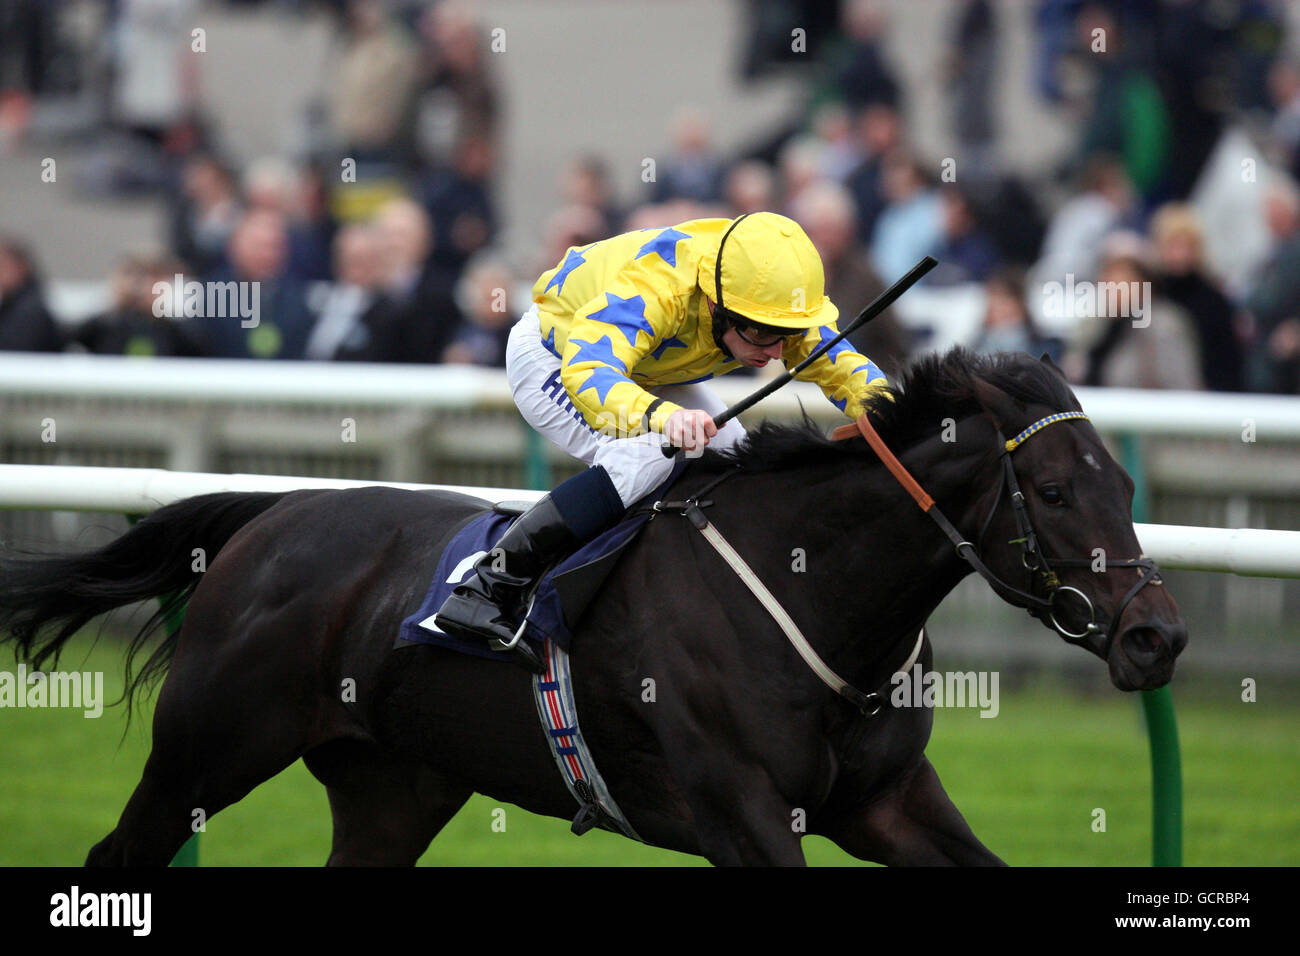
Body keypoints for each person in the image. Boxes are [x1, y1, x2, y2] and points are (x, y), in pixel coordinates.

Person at [434, 211, 891, 667]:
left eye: (786, 336)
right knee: (649, 453)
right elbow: (589, 371)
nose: (775, 352)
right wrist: (659, 416)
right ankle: (491, 584)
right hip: (560, 357)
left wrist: (894, 413)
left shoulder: (767, 301)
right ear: (715, 306)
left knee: (737, 460)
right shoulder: (658, 288)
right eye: (762, 334)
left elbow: (843, 367)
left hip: (650, 365)